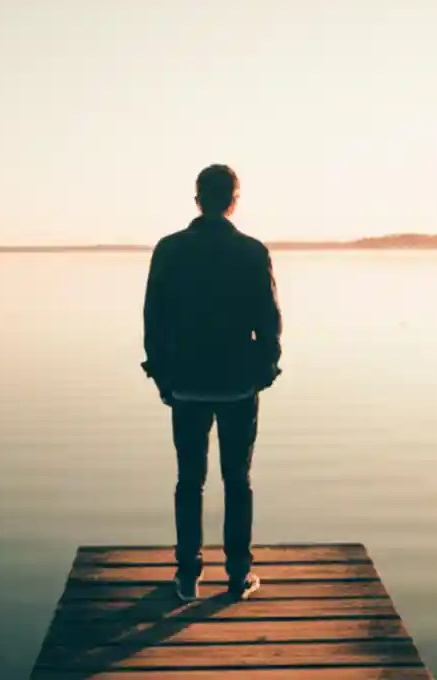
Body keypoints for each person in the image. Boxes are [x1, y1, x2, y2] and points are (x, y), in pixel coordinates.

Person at [142, 164, 283, 602]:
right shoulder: (253, 252)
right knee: (237, 480)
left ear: (197, 199)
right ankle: (238, 576)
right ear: (234, 200)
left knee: (189, 480)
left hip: (185, 384)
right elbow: (269, 320)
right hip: (240, 385)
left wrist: (162, 376)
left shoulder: (168, 249)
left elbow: (154, 319)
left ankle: (187, 577)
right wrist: (266, 369)